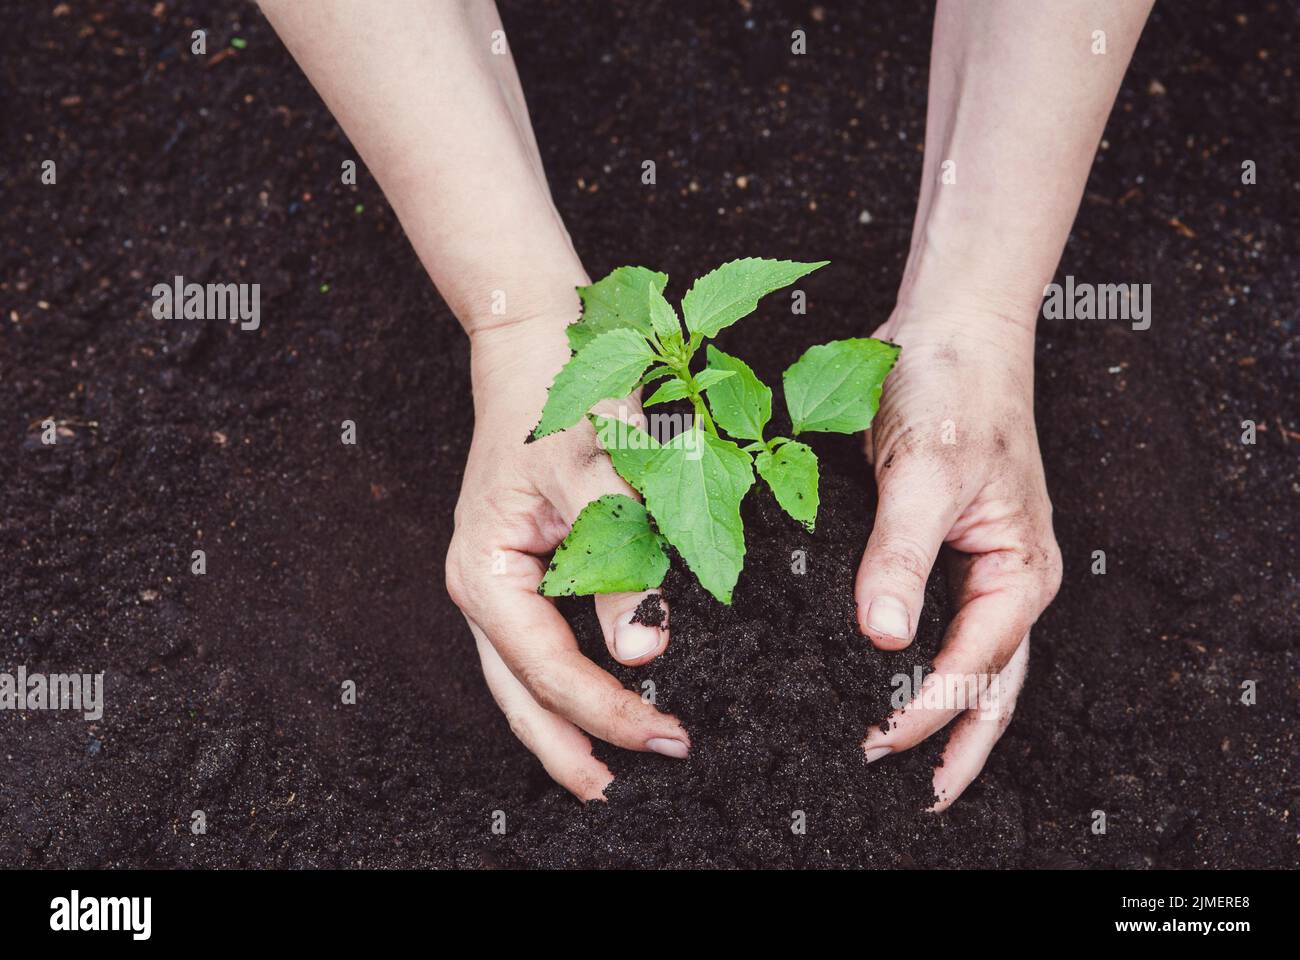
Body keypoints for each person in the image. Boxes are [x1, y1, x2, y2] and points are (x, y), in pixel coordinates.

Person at [260, 0, 1153, 809]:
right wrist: (522, 322)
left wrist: (977, 322)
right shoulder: (698, 411)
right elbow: (701, 490)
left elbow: (757, 478)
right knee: (690, 483)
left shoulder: (767, 431)